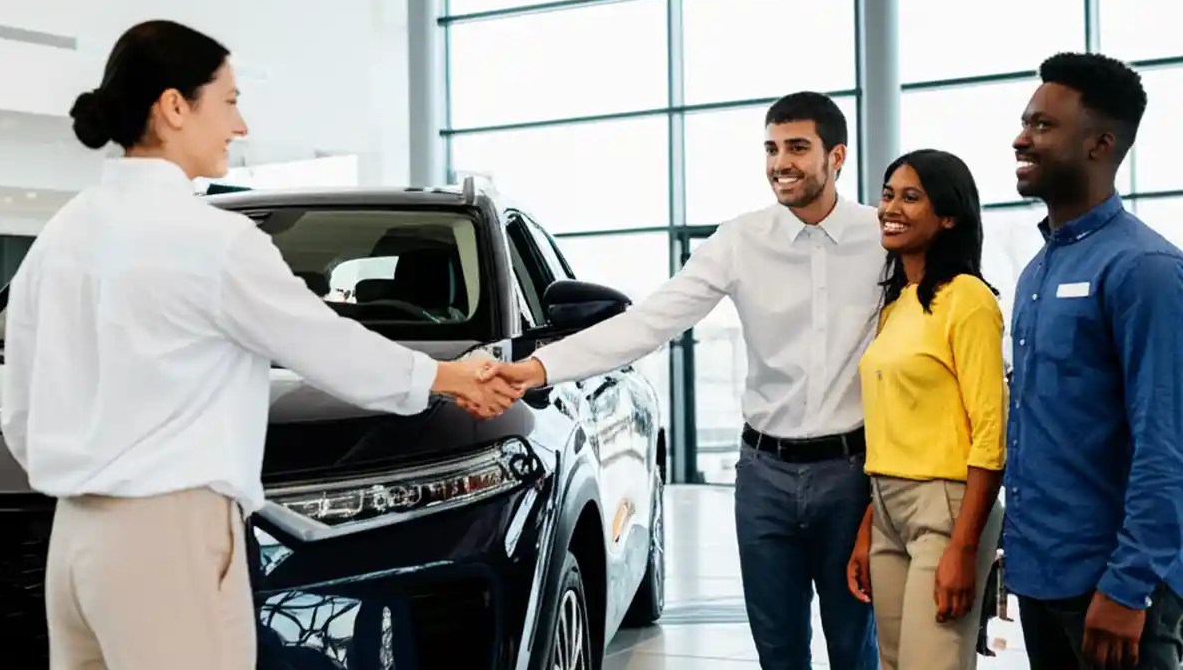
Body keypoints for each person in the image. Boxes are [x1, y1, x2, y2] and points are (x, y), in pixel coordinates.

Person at [0, 19, 520, 670]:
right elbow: (326, 345)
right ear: (174, 107)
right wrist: (451, 377)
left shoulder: (61, 235)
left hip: (74, 542)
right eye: (229, 101)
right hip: (168, 542)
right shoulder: (211, 241)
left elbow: (20, 413)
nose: (240, 126)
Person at [486, 91, 886, 669]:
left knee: (855, 647)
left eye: (797, 147)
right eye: (771, 148)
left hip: (851, 476)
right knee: (778, 652)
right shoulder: (739, 241)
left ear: (837, 156)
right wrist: (537, 368)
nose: (780, 163)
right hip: (764, 479)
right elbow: (650, 322)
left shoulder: (881, 238)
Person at [1004, 51, 1183, 669]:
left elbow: (1166, 443)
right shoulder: (1037, 271)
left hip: (1115, 590)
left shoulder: (1144, 269)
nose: (1021, 139)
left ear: (1100, 145)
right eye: (1025, 122)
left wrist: (1130, 586)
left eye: (1043, 125)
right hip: (1041, 579)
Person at [844, 149, 1007, 670]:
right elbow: (894, 427)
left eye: (911, 197)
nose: (891, 208)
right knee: (893, 663)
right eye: (888, 194)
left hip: (947, 507)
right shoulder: (897, 306)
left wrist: (964, 547)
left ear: (949, 217)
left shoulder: (969, 299)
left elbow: (991, 432)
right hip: (887, 505)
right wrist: (871, 525)